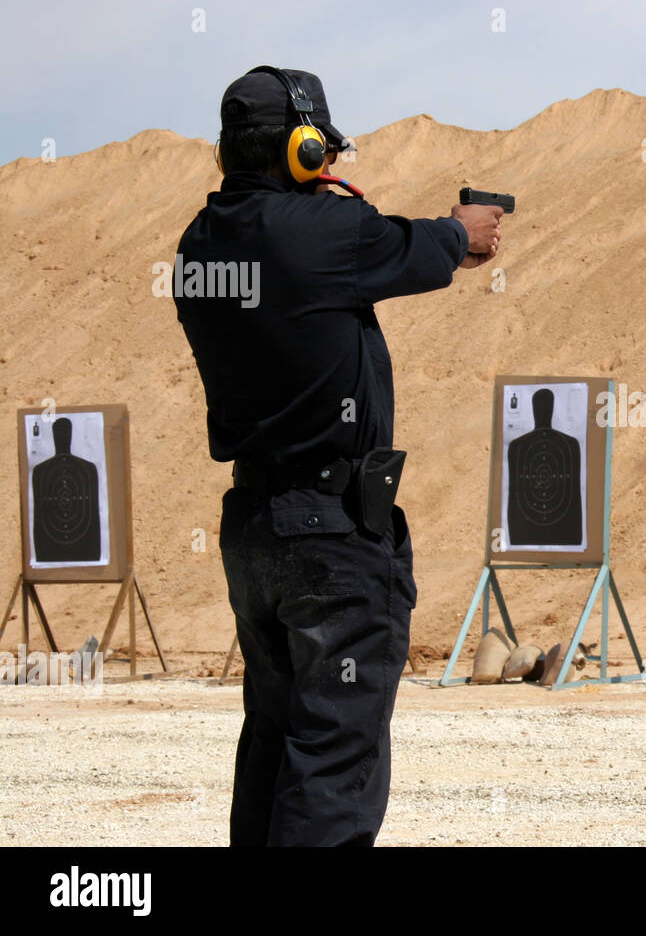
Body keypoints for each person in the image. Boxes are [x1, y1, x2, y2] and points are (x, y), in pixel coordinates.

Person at [173, 66, 504, 846]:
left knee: (275, 745)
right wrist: (467, 229)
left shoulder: (198, 247)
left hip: (254, 530)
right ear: (303, 146)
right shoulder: (326, 234)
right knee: (331, 764)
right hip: (330, 540)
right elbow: (433, 247)